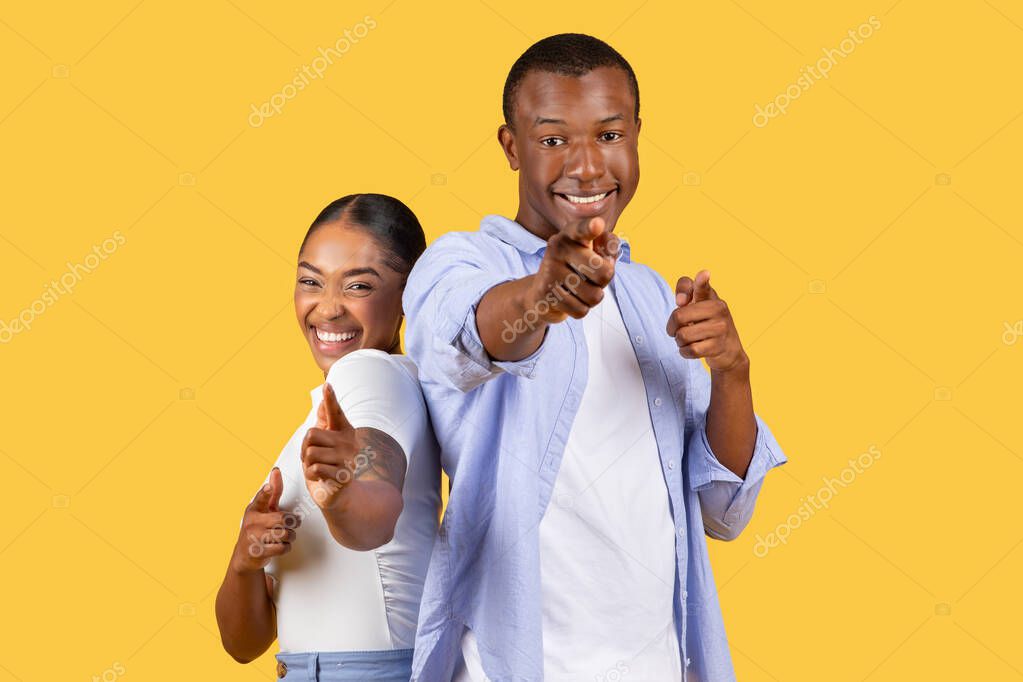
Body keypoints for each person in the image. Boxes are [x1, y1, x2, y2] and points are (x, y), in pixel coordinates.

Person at [403, 34, 788, 681]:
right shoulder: (461, 263)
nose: (586, 166)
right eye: (553, 140)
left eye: (608, 136)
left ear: (637, 135)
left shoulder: (648, 294)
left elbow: (724, 512)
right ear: (510, 146)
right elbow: (468, 338)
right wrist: (541, 295)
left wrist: (731, 371)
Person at [215, 193, 441, 681]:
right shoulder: (327, 411)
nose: (328, 307)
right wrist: (244, 564)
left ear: (409, 294)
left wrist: (342, 496)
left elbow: (374, 513)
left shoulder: (372, 375)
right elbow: (244, 644)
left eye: (358, 285)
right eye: (310, 282)